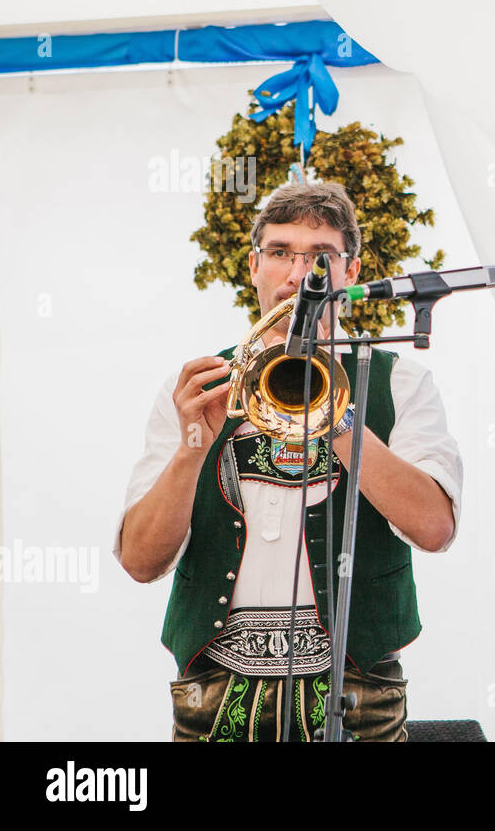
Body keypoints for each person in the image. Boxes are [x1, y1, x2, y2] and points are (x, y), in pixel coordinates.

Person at [117, 182, 462, 742]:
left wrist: (339, 416)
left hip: (355, 692)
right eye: (280, 252)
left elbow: (434, 528)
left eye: (320, 257)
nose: (298, 276)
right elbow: (139, 560)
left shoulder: (401, 380)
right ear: (254, 266)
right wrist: (190, 451)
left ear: (349, 273)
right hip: (215, 692)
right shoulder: (199, 388)